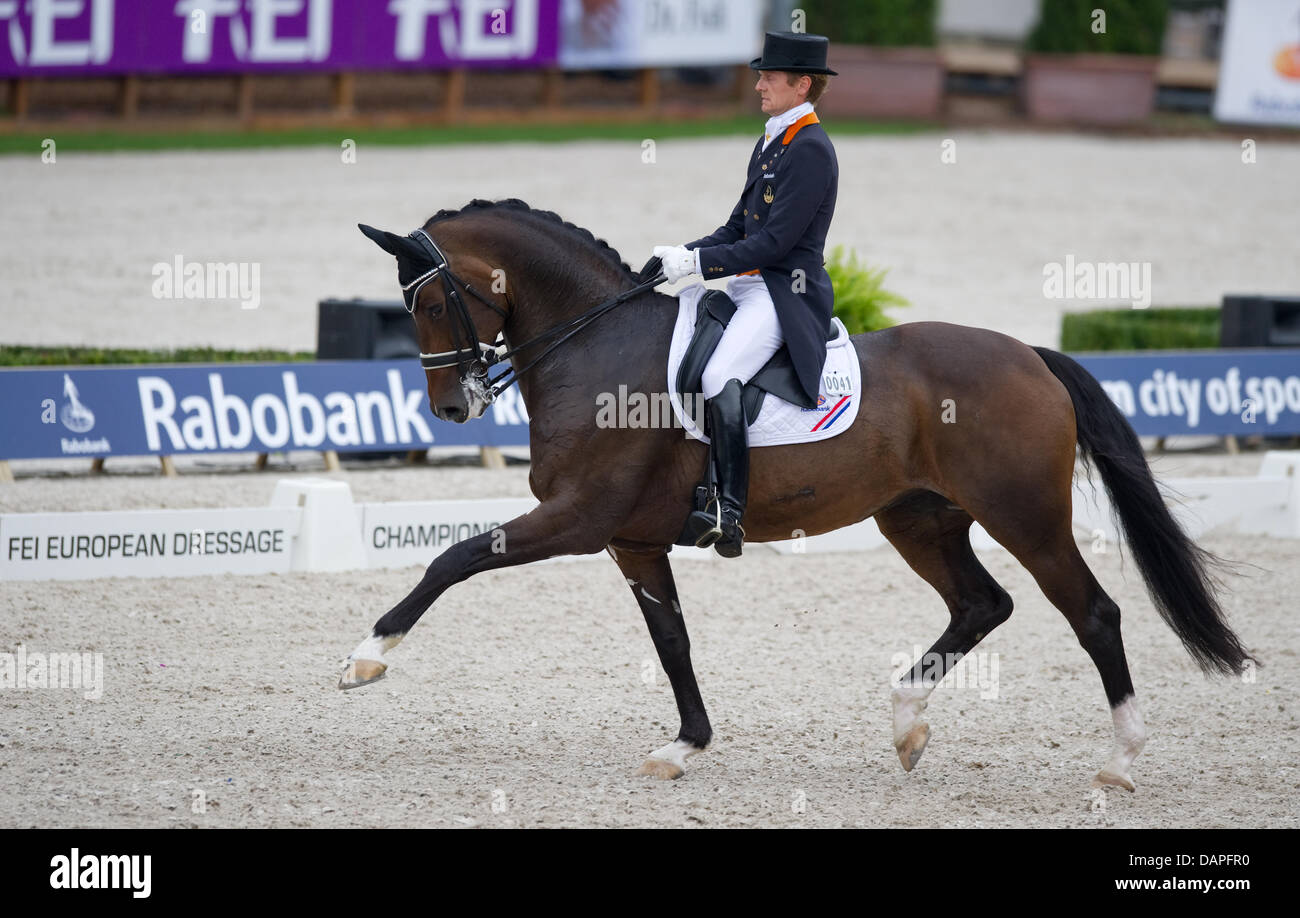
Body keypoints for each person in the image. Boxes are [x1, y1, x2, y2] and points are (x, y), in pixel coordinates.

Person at [653, 30, 839, 558]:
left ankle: (727, 508)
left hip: (783, 294)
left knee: (717, 375)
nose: (758, 85)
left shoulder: (811, 150)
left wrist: (699, 264)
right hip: (747, 285)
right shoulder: (773, 140)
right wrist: (678, 258)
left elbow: (775, 244)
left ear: (801, 85)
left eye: (768, 77)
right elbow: (737, 228)